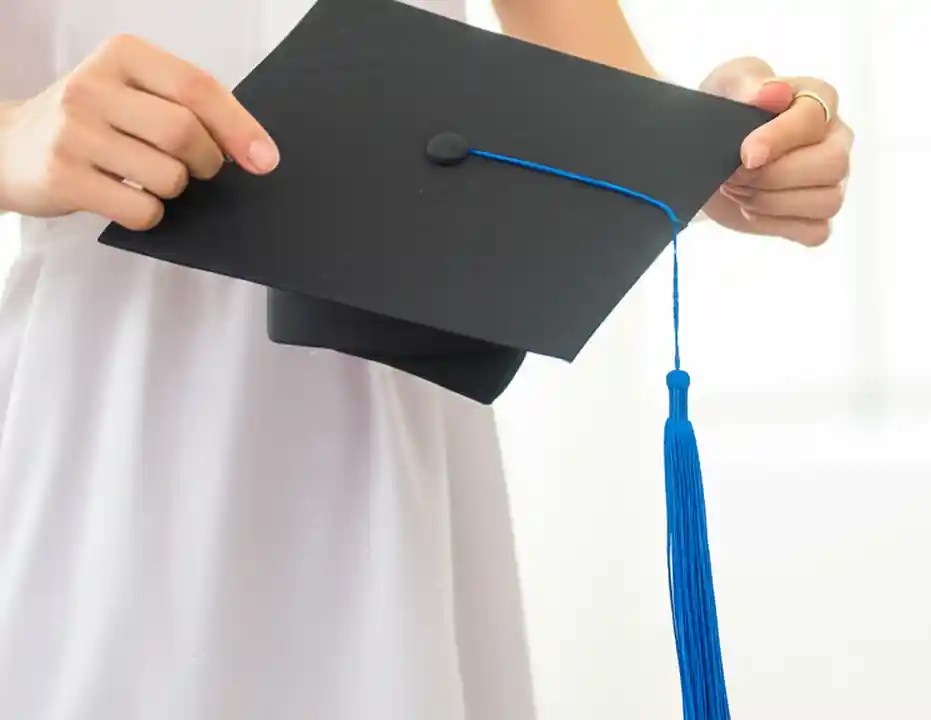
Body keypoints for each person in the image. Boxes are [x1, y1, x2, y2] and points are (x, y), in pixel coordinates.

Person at [0, 0, 853, 717]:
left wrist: (717, 145)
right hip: (114, 440)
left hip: (393, 451)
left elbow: (614, 91)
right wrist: (14, 139)